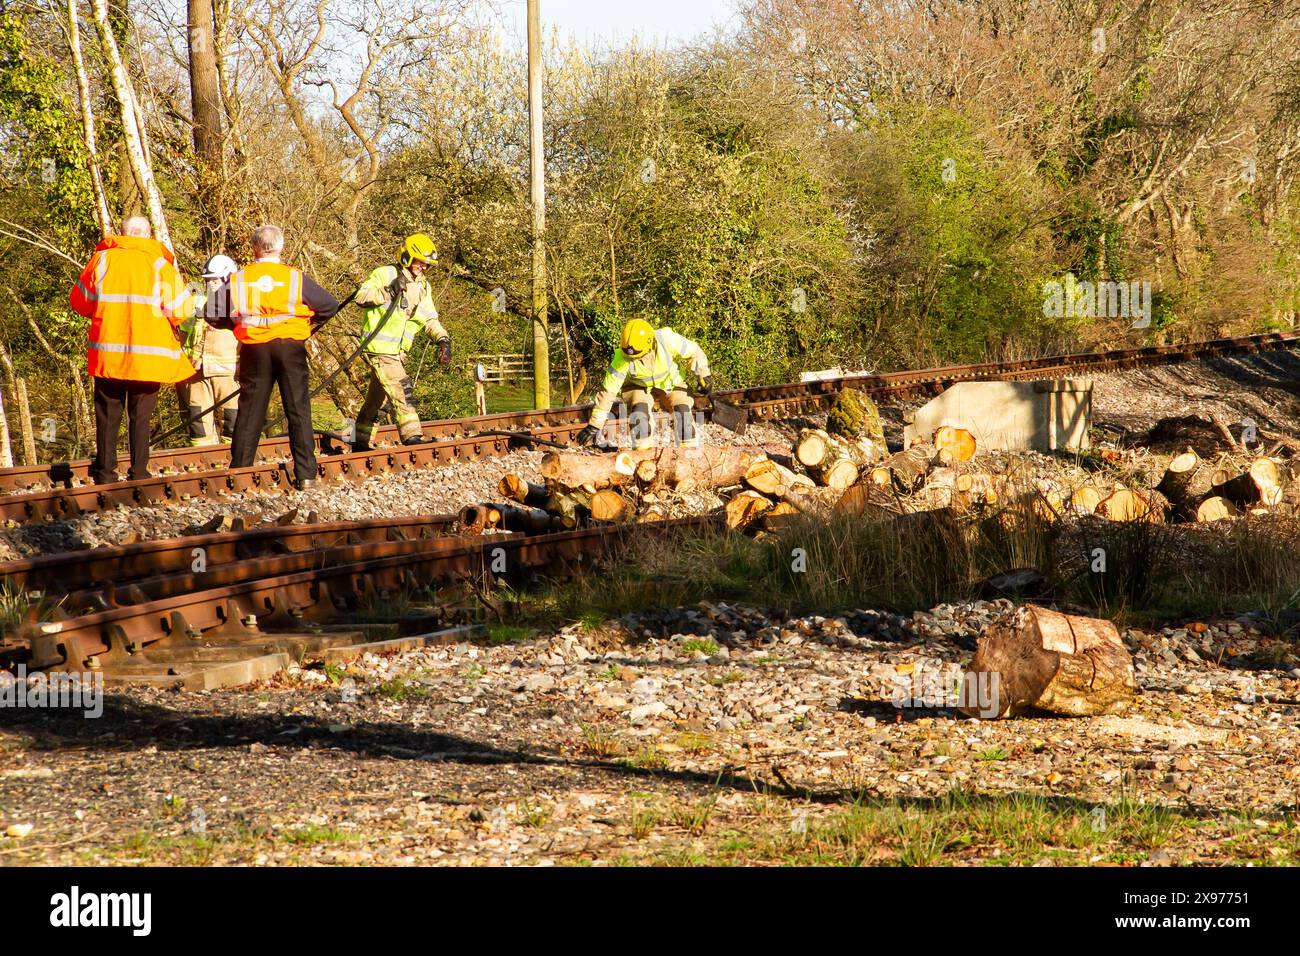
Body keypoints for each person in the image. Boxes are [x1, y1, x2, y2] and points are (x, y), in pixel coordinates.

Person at [69, 215, 195, 484]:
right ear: (148, 235)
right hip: (148, 358)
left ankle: (105, 473)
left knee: (107, 415)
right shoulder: (160, 264)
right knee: (140, 417)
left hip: (108, 354)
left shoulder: (101, 261)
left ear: (123, 233)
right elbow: (183, 310)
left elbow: (79, 302)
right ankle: (139, 472)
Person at [213, 225, 340, 490]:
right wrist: (306, 325)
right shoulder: (294, 277)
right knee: (297, 409)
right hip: (290, 347)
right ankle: (305, 475)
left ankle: (240, 472)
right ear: (280, 247)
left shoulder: (239, 279)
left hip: (254, 348)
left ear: (254, 248)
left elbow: (211, 312)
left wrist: (237, 324)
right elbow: (329, 304)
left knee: (250, 411)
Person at [351, 233, 451, 451]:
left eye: (427, 264)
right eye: (420, 261)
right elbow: (361, 297)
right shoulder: (385, 273)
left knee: (379, 401)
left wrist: (443, 339)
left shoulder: (423, 286)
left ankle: (358, 441)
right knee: (402, 388)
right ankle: (412, 437)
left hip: (397, 353)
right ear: (406, 256)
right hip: (378, 348)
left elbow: (429, 318)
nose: (423, 267)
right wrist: (388, 291)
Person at [577, 319, 711, 451]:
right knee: (640, 416)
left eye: (637, 357)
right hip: (638, 386)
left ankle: (688, 455)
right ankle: (642, 454)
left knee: (683, 414)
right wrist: (594, 424)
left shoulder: (667, 339)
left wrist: (704, 375)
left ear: (650, 345)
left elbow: (694, 351)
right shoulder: (622, 358)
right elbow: (608, 392)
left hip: (670, 382)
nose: (632, 360)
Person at [175, 254, 240, 445]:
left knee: (232, 422)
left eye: (215, 279)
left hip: (227, 373)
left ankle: (235, 464)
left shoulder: (238, 304)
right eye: (207, 280)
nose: (211, 284)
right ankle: (203, 462)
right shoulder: (196, 303)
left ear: (228, 278)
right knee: (198, 425)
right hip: (196, 374)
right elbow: (183, 335)